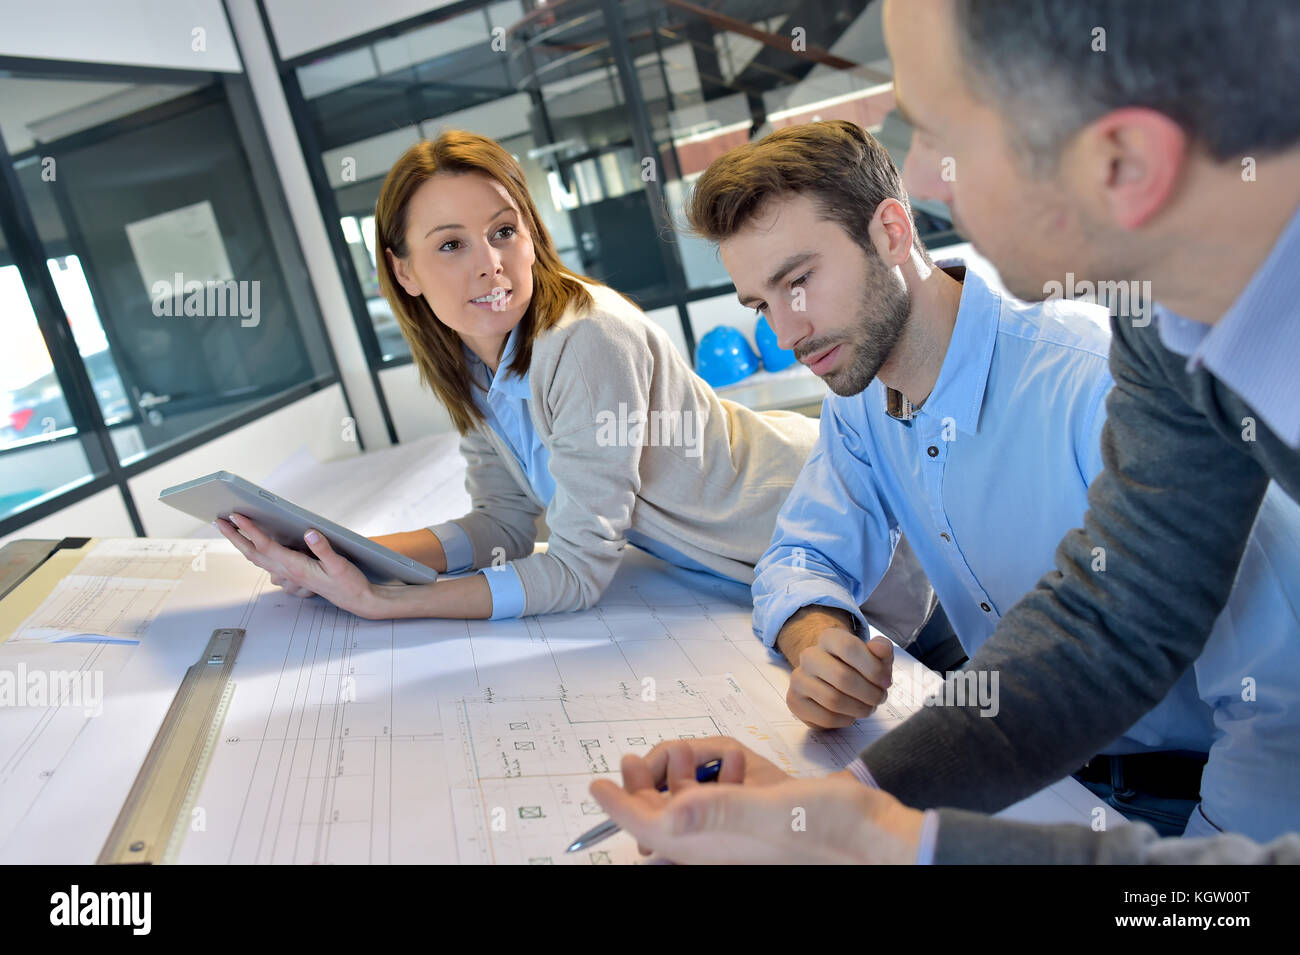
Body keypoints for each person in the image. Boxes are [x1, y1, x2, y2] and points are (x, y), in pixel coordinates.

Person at [590, 0, 1300, 863]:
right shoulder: (1167, 337)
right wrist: (844, 808)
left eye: (939, 133)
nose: (921, 180)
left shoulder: (1090, 369)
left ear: (1122, 159)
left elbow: (1278, 727)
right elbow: (1107, 623)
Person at [215, 130, 931, 632]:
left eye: (503, 230)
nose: (490, 264)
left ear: (530, 232)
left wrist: (388, 602)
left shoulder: (583, 337)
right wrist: (344, 555)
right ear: (403, 270)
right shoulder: (474, 359)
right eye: (451, 245)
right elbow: (501, 525)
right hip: (774, 568)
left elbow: (579, 572)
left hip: (845, 546)